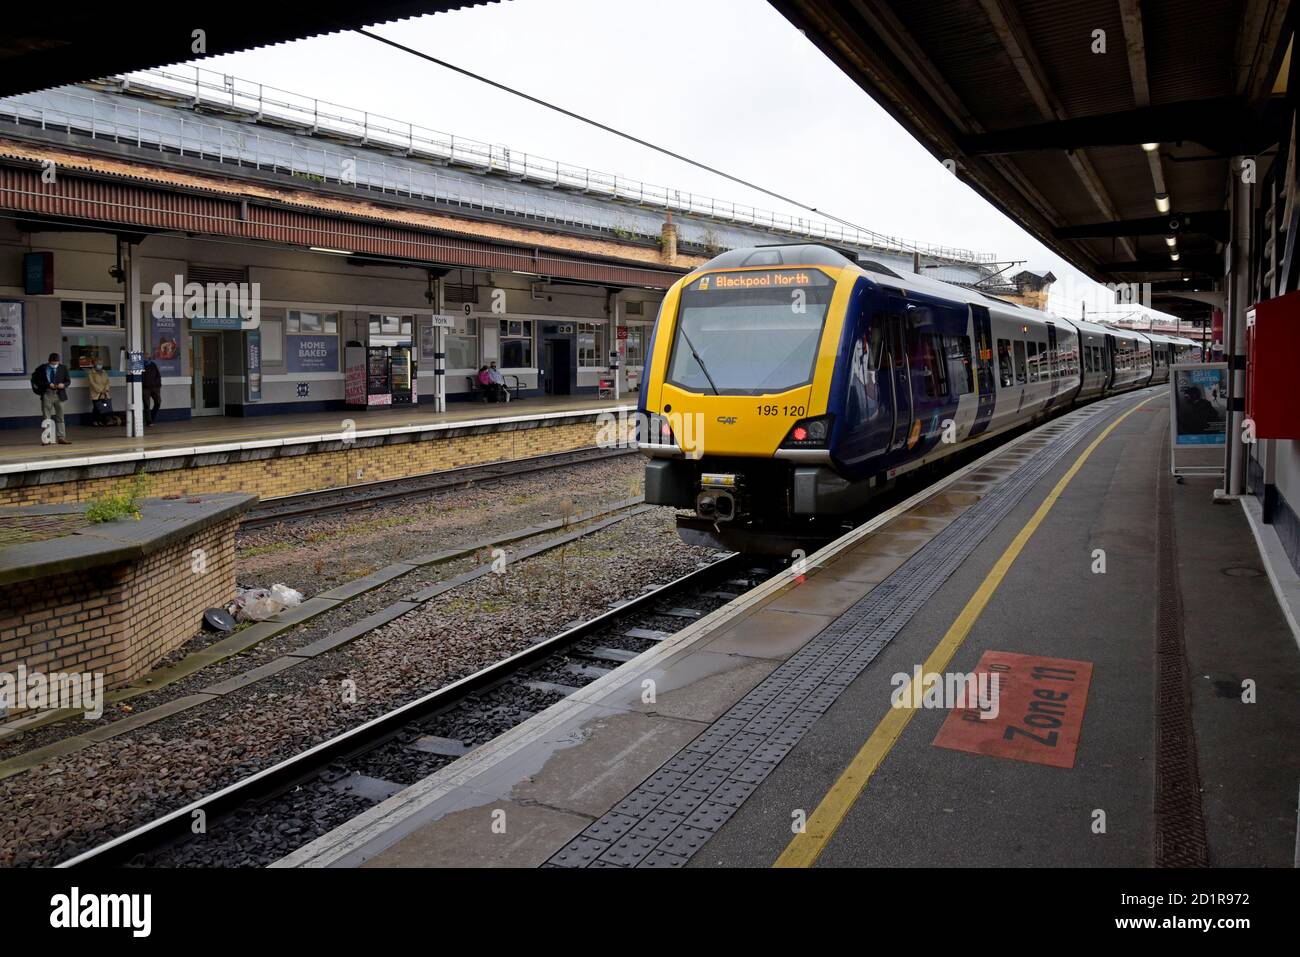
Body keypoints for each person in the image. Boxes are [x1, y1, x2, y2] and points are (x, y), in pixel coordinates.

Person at [31, 352, 72, 445]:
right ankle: (47, 438)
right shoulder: (42, 368)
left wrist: (64, 385)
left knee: (60, 417)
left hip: (60, 394)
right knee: (46, 417)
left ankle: (61, 437)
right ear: (49, 361)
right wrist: (48, 384)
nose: (54, 365)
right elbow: (37, 381)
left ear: (59, 361)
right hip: (47, 393)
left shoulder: (63, 368)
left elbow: (68, 381)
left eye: (56, 363)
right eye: (52, 364)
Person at [87, 361, 114, 426]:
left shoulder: (104, 372)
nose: (99, 365)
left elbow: (107, 381)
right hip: (96, 394)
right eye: (98, 364)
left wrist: (106, 389)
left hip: (105, 393)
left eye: (100, 364)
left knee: (105, 407)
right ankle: (95, 420)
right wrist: (100, 390)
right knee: (96, 407)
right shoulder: (91, 373)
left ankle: (104, 420)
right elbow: (92, 383)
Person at [141, 356, 162, 425]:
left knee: (158, 402)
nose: (147, 359)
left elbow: (158, 375)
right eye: (145, 358)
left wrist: (158, 385)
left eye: (148, 358)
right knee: (146, 405)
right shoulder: (140, 365)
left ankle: (152, 417)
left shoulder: (153, 364)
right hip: (145, 388)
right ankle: (149, 421)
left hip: (155, 387)